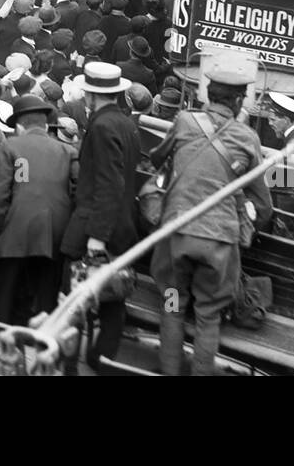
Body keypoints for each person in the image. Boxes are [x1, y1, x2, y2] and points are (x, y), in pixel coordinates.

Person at [147, 49, 264, 376]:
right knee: (208, 315)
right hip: (218, 243)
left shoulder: (184, 121)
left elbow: (158, 158)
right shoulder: (248, 137)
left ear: (207, 94)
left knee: (172, 306)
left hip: (177, 236)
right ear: (239, 102)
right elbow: (262, 200)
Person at [59, 61, 141, 373]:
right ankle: (101, 358)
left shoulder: (103, 126)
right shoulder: (124, 123)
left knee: (72, 300)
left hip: (96, 226)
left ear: (91, 95)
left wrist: (95, 239)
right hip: (120, 225)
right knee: (111, 295)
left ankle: (70, 365)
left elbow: (109, 183)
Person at [0, 94, 74, 325]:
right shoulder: (67, 152)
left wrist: (2, 228)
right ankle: (41, 341)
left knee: (5, 292)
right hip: (56, 231)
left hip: (16, 228)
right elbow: (76, 193)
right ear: (46, 126)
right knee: (46, 294)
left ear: (18, 127)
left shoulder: (9, 146)